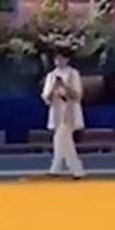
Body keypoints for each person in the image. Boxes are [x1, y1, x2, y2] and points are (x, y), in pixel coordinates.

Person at [40, 49, 85, 178]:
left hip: (70, 112)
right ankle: (56, 168)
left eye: (61, 58)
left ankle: (77, 169)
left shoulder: (73, 74)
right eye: (56, 59)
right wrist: (54, 87)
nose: (58, 61)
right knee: (60, 139)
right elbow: (46, 98)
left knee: (62, 137)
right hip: (56, 112)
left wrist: (64, 86)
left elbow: (77, 95)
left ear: (67, 59)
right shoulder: (51, 76)